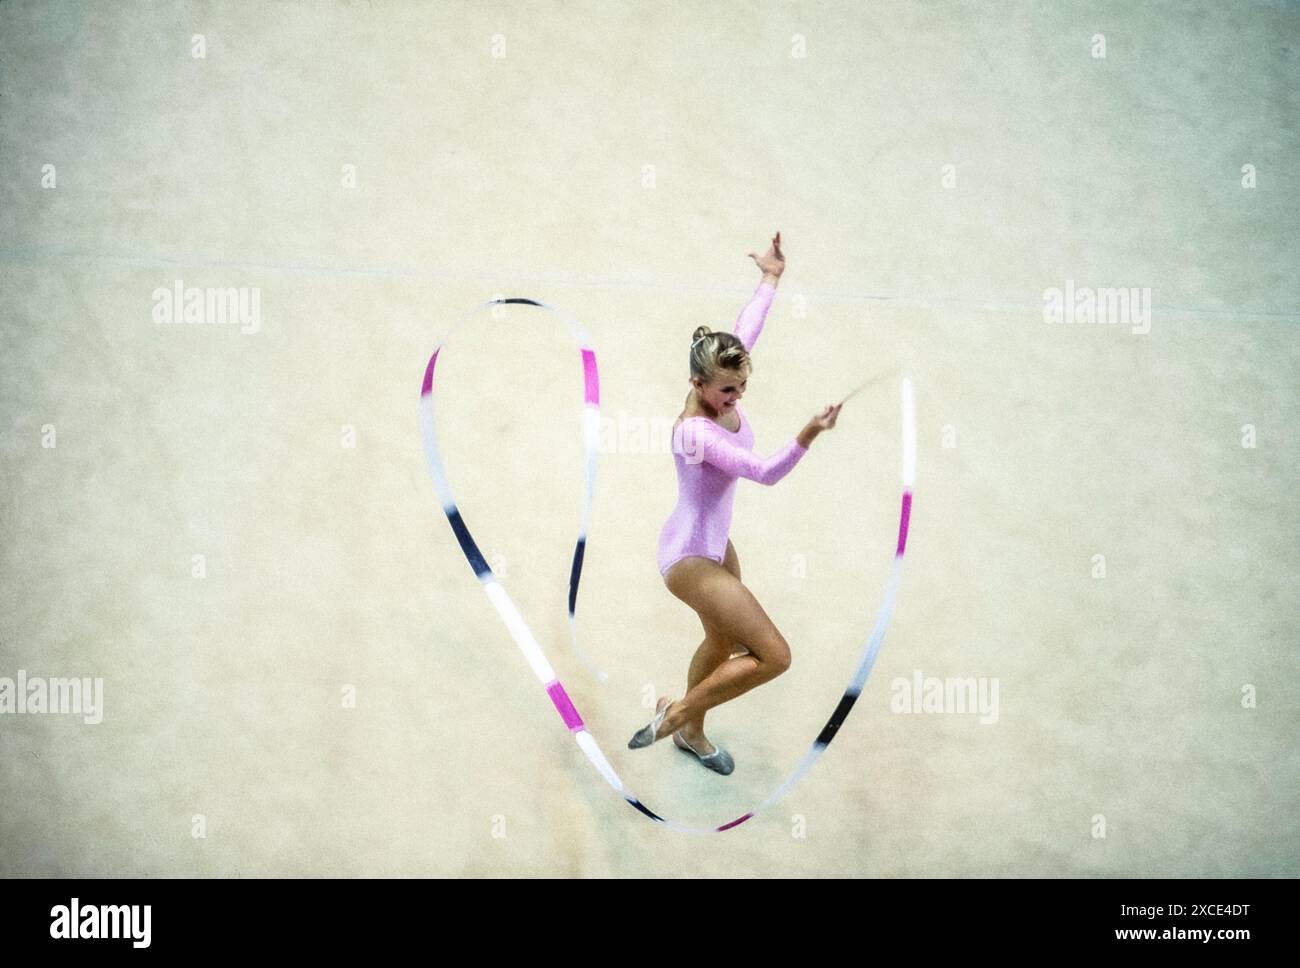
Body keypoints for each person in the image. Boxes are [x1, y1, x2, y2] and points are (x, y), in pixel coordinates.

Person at [629, 231, 844, 773]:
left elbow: (746, 332)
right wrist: (810, 432)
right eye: (727, 390)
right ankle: (678, 714)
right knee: (775, 656)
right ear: (699, 385)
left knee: (722, 644)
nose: (736, 396)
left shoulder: (719, 377)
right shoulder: (696, 434)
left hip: (713, 543)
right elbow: (766, 473)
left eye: (741, 386)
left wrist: (770, 278)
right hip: (688, 559)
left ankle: (690, 731)